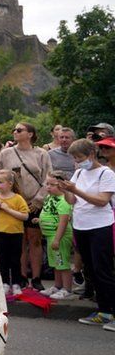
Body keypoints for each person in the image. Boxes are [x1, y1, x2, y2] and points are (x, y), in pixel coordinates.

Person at [57, 139, 115, 330]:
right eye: (74, 158)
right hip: (81, 226)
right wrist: (66, 190)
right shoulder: (79, 172)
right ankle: (103, 311)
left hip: (100, 226)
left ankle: (110, 310)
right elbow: (72, 200)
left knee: (102, 269)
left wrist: (76, 190)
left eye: (79, 157)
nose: (77, 161)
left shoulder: (106, 173)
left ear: (91, 154)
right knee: (90, 270)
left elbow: (102, 201)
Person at [0, 122, 52, 290]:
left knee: (35, 240)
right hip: (12, 203)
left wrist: (38, 200)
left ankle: (36, 277)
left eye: (19, 130)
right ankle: (21, 277)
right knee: (19, 241)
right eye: (14, 130)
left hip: (35, 202)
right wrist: (8, 197)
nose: (15, 132)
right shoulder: (6, 154)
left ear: (30, 134)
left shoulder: (41, 154)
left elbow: (48, 178)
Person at [0, 170, 30, 296]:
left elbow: (25, 216)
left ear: (10, 183)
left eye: (1, 182)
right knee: (2, 259)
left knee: (15, 259)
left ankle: (16, 283)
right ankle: (4, 283)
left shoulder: (17, 198)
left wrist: (7, 209)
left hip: (15, 233)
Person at [38, 175, 74, 299]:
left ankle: (67, 289)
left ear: (61, 185)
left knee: (62, 262)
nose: (48, 187)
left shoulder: (63, 200)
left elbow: (63, 221)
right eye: (47, 184)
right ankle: (57, 286)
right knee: (55, 263)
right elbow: (49, 212)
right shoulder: (49, 197)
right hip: (50, 236)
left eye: (52, 185)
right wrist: (40, 220)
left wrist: (57, 239)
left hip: (59, 236)